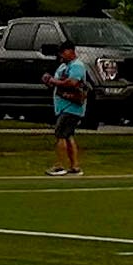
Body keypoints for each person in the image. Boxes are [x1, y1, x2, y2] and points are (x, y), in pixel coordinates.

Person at [48, 34, 90, 178]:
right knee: (68, 135)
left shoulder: (77, 66)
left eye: (63, 52)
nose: (61, 55)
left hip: (71, 107)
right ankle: (75, 166)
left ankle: (59, 165)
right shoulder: (63, 66)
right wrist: (49, 80)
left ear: (71, 51)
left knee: (60, 134)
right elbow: (58, 82)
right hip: (63, 106)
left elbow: (72, 82)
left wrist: (54, 81)